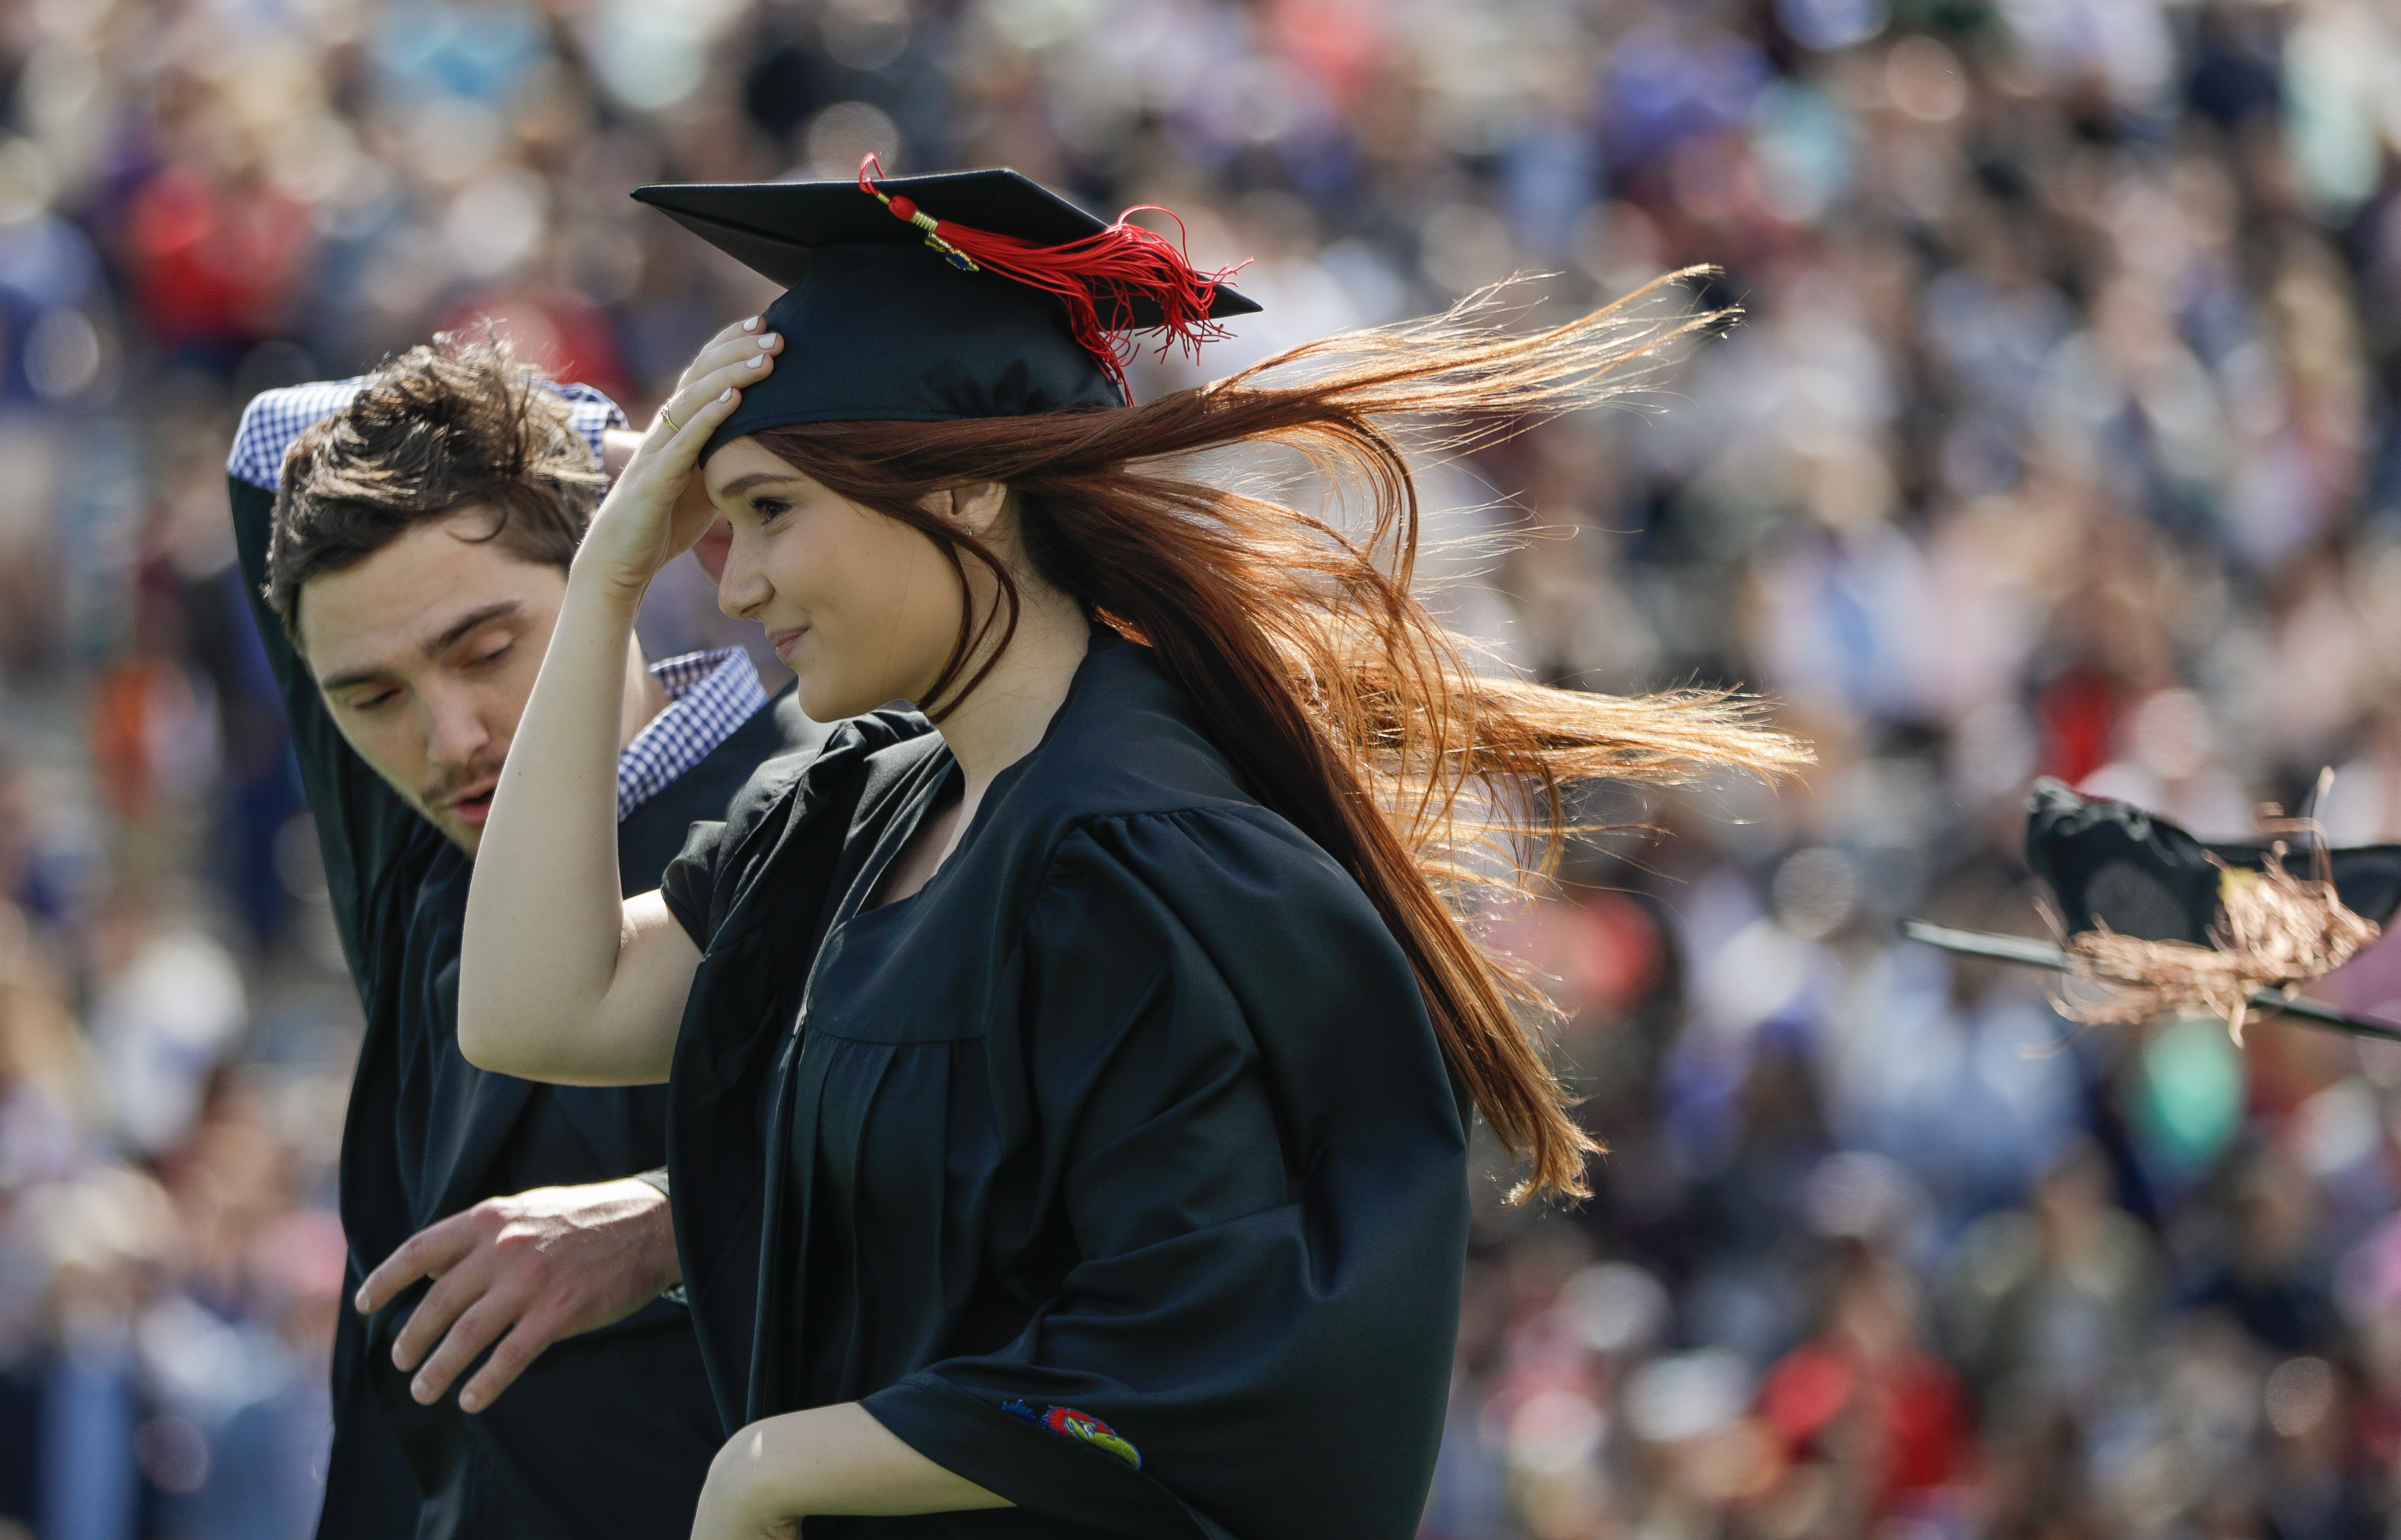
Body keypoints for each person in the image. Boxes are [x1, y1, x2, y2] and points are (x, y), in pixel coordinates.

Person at [455, 167, 1809, 1540]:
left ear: (966, 488)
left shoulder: (1140, 859)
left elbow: (1210, 1354)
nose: (736, 583)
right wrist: (605, 578)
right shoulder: (859, 814)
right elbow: (532, 1007)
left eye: (771, 512)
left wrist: (775, 1468)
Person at [225, 337, 829, 1540]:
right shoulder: (431, 861)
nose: (449, 737)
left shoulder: (838, 803)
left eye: (488, 651)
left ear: (610, 570)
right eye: (371, 698)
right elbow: (263, 458)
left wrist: (666, 1225)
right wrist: (614, 455)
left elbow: (969, 1162)